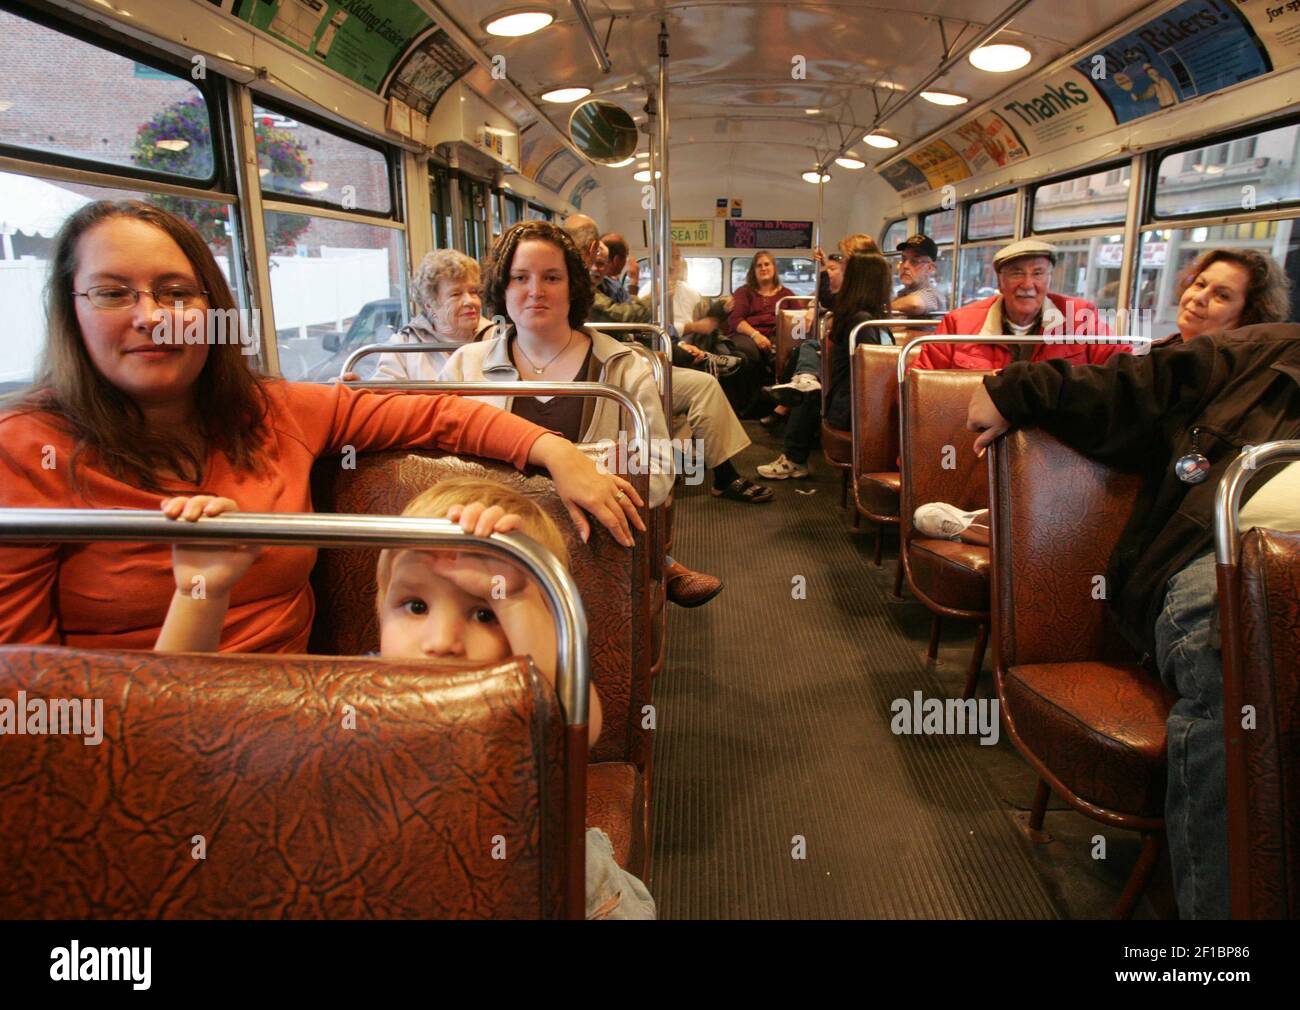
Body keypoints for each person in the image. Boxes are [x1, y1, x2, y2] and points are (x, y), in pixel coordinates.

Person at [0, 200, 644, 651]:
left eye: (175, 292)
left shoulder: (275, 410)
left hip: (298, 721)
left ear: (211, 307)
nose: (151, 317)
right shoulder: (26, 453)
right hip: (118, 748)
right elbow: (25, 689)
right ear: (72, 311)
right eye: (113, 293)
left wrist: (555, 452)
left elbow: (434, 411)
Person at [153, 477, 656, 919]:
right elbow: (177, 725)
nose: (441, 641)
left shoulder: (522, 700)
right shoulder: (358, 699)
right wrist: (202, 591)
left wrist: (518, 597)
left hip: (545, 888)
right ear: (380, 608)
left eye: (484, 614)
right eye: (415, 605)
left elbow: (579, 724)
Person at [965, 319, 1300, 919]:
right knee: (1242, 666)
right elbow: (1130, 385)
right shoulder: (1261, 357)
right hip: (1224, 557)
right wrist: (1013, 389)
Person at [441, 219, 744, 607]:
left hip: (593, 541)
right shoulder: (466, 367)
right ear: (502, 287)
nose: (535, 291)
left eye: (551, 277)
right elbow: (445, 469)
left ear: (572, 287)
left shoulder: (622, 367)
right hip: (495, 538)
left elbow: (659, 471)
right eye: (520, 278)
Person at [562, 218, 771, 505]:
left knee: (704, 382)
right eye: (594, 262)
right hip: (609, 369)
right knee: (702, 385)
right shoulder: (578, 292)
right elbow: (627, 317)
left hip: (632, 356)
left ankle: (718, 472)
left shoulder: (608, 286)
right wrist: (663, 289)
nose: (598, 269)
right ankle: (722, 475)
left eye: (603, 263)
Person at [757, 252, 892, 480]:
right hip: (864, 408)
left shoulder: (860, 320)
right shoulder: (868, 321)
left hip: (854, 407)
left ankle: (794, 455)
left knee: (810, 388)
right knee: (811, 376)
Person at [914, 238, 1127, 371]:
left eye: (1038, 273)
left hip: (1056, 436)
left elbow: (1125, 366)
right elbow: (920, 384)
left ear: (1049, 279)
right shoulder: (959, 324)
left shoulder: (1080, 317)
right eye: (1016, 273)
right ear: (1000, 281)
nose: (1027, 284)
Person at [371, 249, 495, 381]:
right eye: (456, 294)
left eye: (473, 292)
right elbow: (382, 396)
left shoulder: (497, 337)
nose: (470, 301)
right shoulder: (403, 346)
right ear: (430, 305)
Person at [1159, 247, 1291, 346]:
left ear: (1249, 314)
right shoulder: (1161, 351)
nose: (1199, 298)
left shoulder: (1240, 378)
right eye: (1200, 284)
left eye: (1222, 295)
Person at [891, 234, 948, 318]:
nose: (905, 266)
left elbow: (915, 304)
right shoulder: (902, 294)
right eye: (903, 259)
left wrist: (885, 307)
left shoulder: (933, 295)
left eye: (914, 261)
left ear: (929, 268)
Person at [600, 232, 639, 305]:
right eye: (625, 257)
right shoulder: (608, 286)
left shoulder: (612, 281)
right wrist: (634, 280)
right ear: (616, 260)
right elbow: (630, 313)